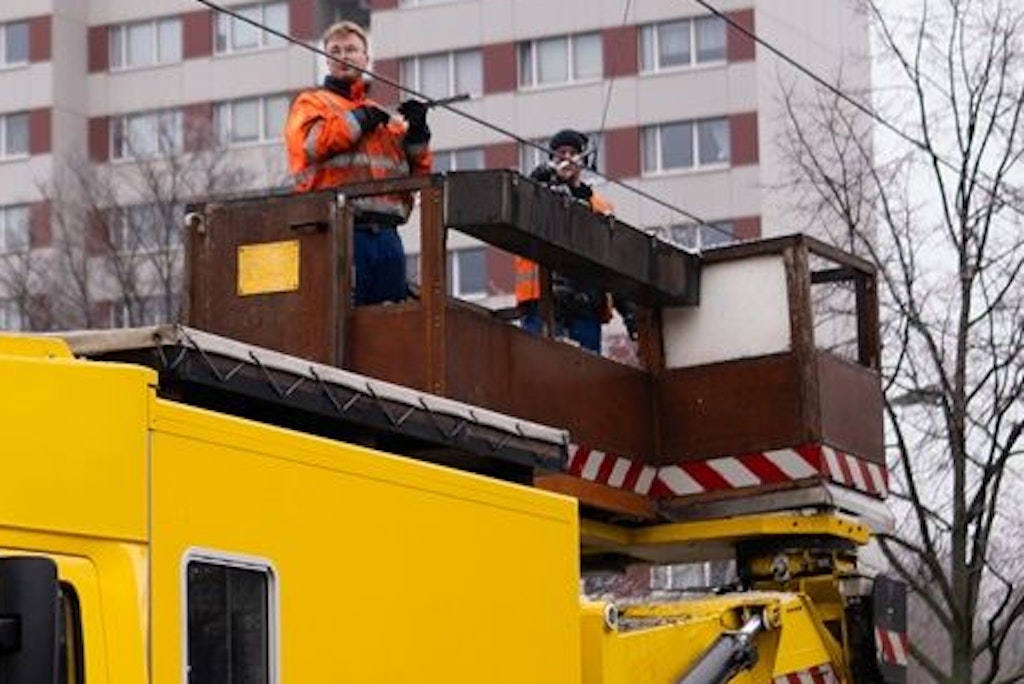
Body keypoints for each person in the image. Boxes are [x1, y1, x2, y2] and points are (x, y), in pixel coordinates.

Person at [285, 21, 432, 305]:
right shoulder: (312, 104)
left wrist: (418, 132)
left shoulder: (382, 118)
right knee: (344, 317)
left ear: (366, 58)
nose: (344, 55)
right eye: (335, 50)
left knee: (389, 323)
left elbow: (417, 171)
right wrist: (358, 120)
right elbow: (312, 145)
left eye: (351, 49)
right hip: (340, 230)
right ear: (327, 60)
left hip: (387, 235)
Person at [515, 129, 635, 353]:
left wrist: (627, 310)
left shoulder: (599, 207)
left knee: (586, 377)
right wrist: (539, 180)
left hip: (585, 306)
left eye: (572, 153)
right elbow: (522, 202)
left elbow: (611, 261)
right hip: (543, 303)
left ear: (582, 160)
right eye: (560, 154)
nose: (567, 158)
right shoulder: (540, 192)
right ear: (551, 159)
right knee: (538, 370)